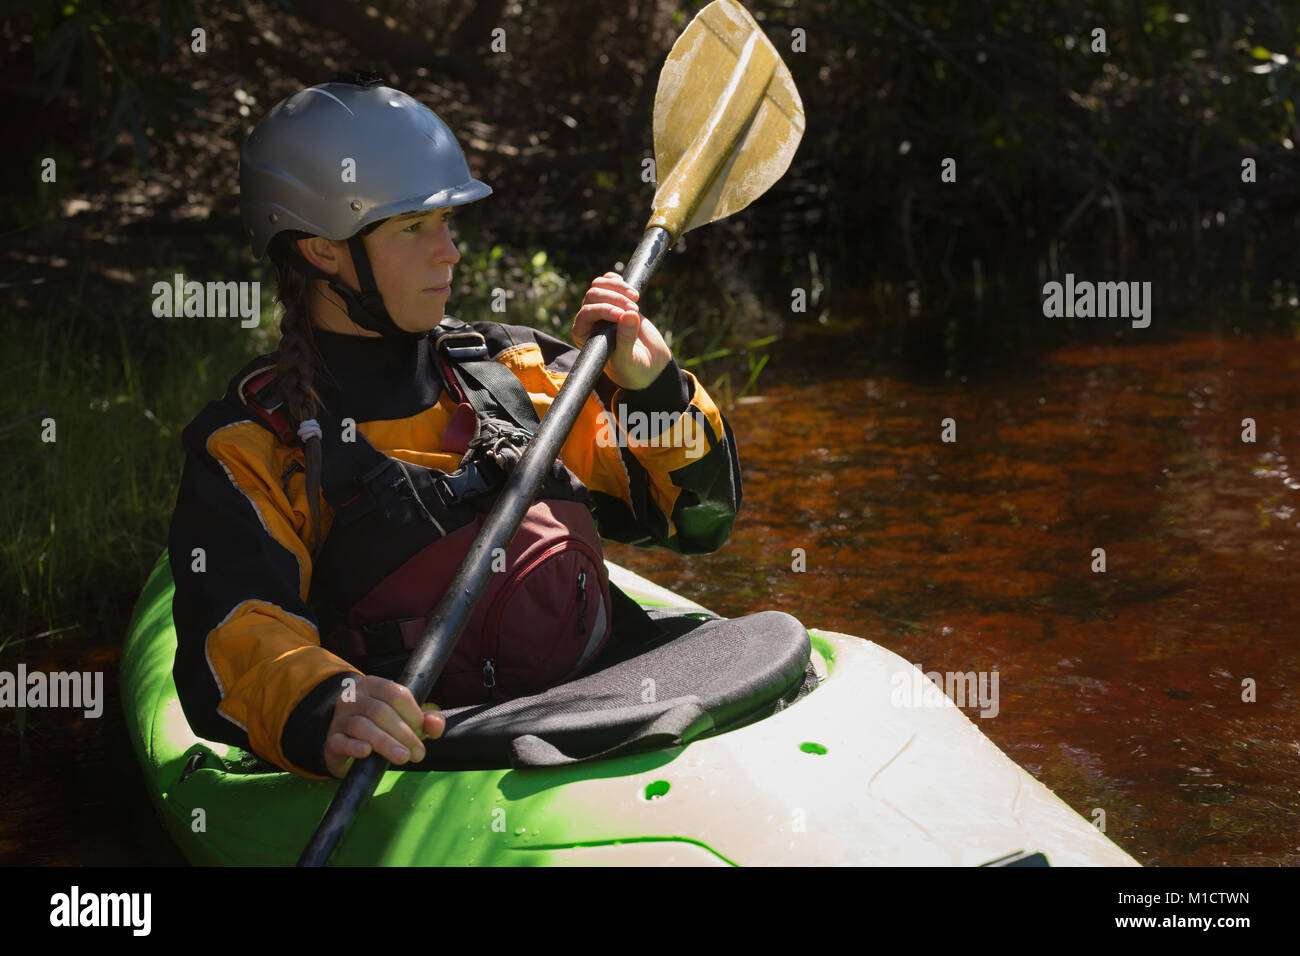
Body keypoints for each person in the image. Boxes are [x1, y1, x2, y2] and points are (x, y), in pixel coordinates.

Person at [167, 76, 741, 780]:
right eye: (414, 229)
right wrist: (324, 704)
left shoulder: (518, 370)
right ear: (321, 251)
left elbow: (701, 523)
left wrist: (655, 390)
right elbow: (242, 628)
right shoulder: (257, 444)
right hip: (440, 748)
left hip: (613, 693)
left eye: (447, 224)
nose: (450, 252)